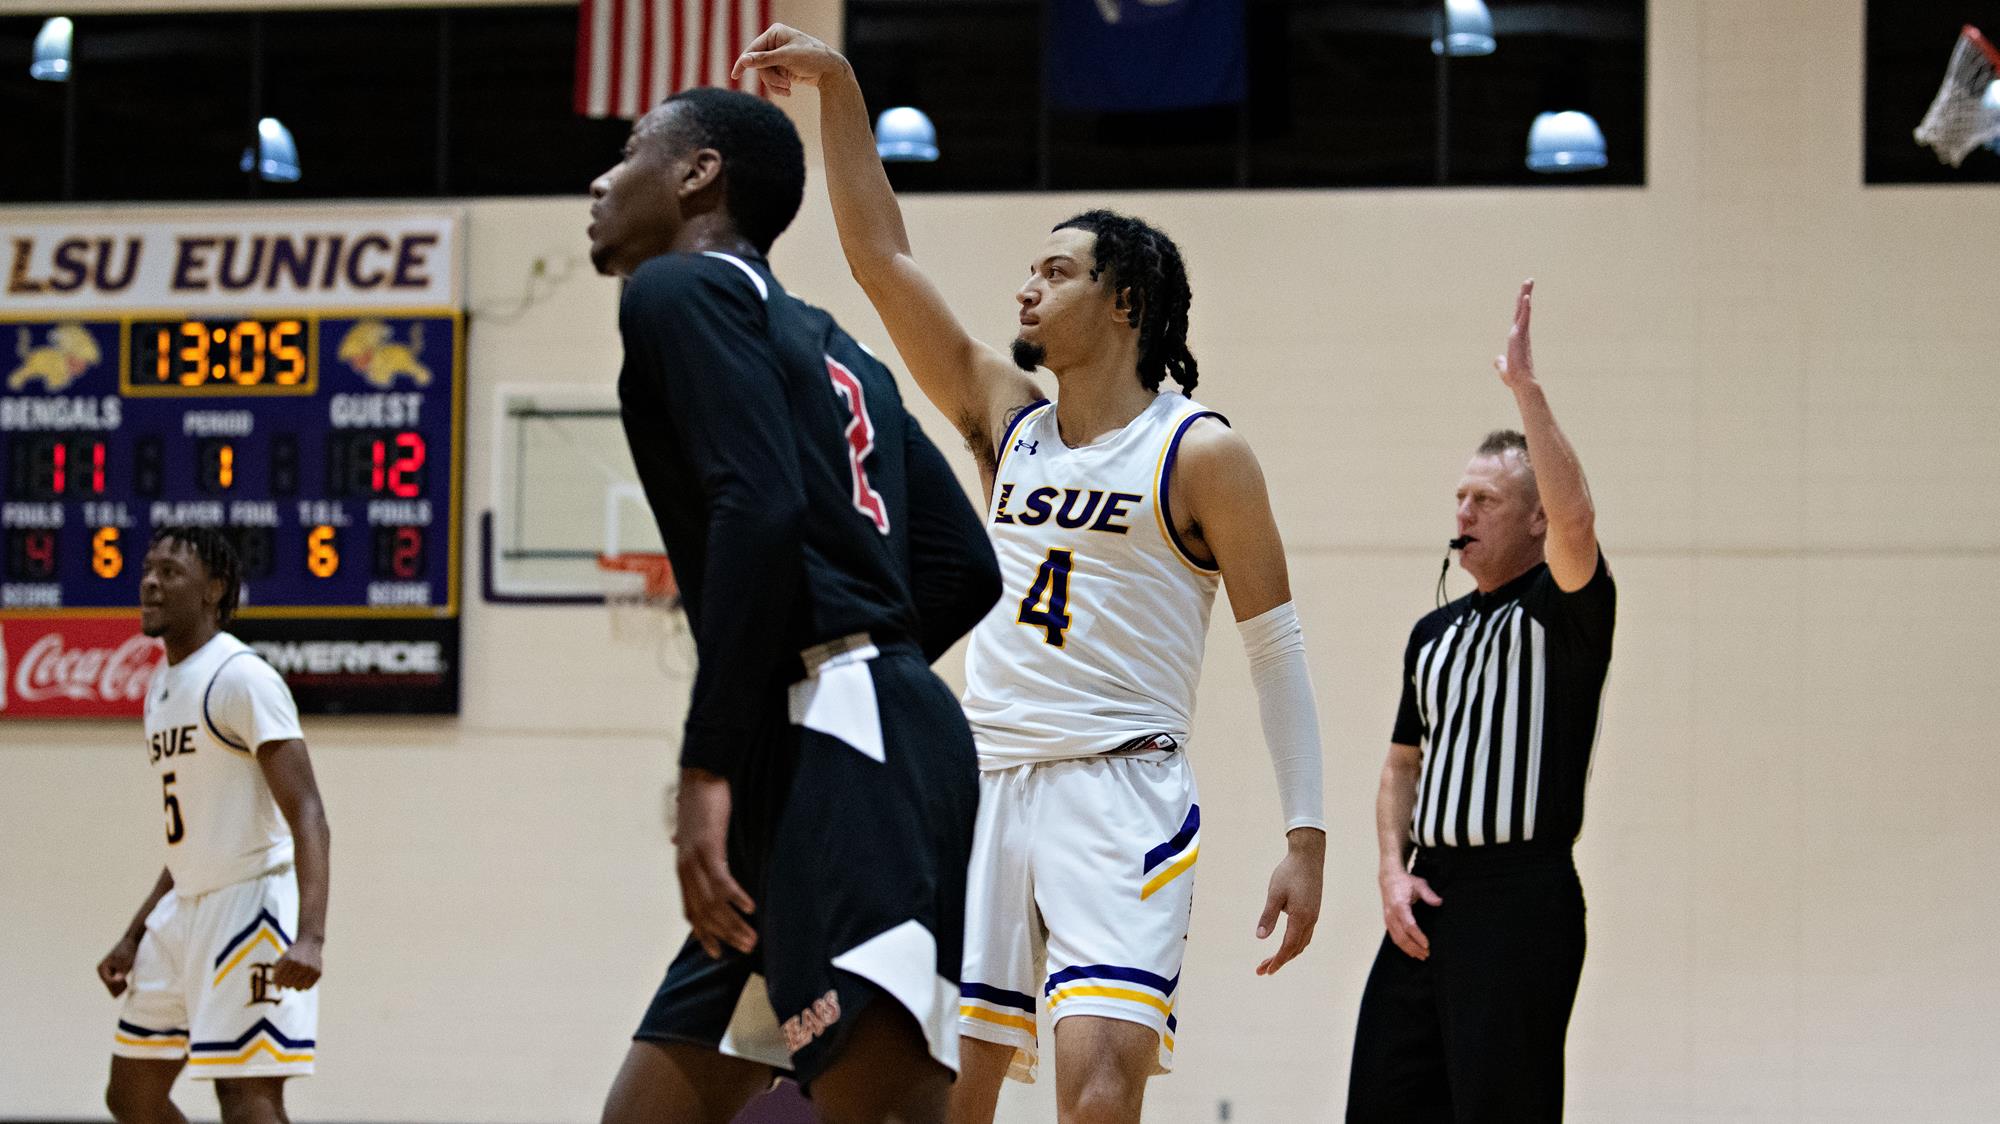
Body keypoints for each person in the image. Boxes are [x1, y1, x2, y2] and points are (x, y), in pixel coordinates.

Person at [735, 29, 1330, 1124]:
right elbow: (881, 260)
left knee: (1098, 1082)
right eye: (1027, 269)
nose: (1024, 288)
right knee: (949, 1095)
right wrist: (841, 91)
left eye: (1054, 271)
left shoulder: (1199, 452)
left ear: (1124, 305)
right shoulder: (1006, 421)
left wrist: (1305, 833)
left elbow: (1274, 647)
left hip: (1119, 788)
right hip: (982, 783)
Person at [585, 86, 1000, 1124]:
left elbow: (757, 506)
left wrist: (707, 760)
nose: (600, 178)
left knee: (893, 1108)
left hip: (841, 752)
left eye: (634, 149)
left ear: (697, 174)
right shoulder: (836, 346)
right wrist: (870, 659)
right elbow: (961, 568)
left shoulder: (673, 291)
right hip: (854, 735)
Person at [1346, 281, 1616, 1122]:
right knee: (1382, 1102)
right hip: (1432, 889)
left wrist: (1527, 394)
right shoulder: (1433, 634)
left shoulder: (1566, 607)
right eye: (1459, 496)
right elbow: (1400, 765)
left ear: (1534, 522)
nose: (1462, 510)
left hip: (1521, 893)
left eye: (1486, 499)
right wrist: (1392, 870)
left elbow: (1579, 518)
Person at [98, 526, 332, 1124]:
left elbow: (307, 812)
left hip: (249, 905)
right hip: (183, 909)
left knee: (246, 1097)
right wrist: (135, 929)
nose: (151, 581)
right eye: (148, 569)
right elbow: (192, 831)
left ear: (214, 590)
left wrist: (310, 935)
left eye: (171, 572)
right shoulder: (161, 686)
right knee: (132, 1095)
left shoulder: (241, 678)